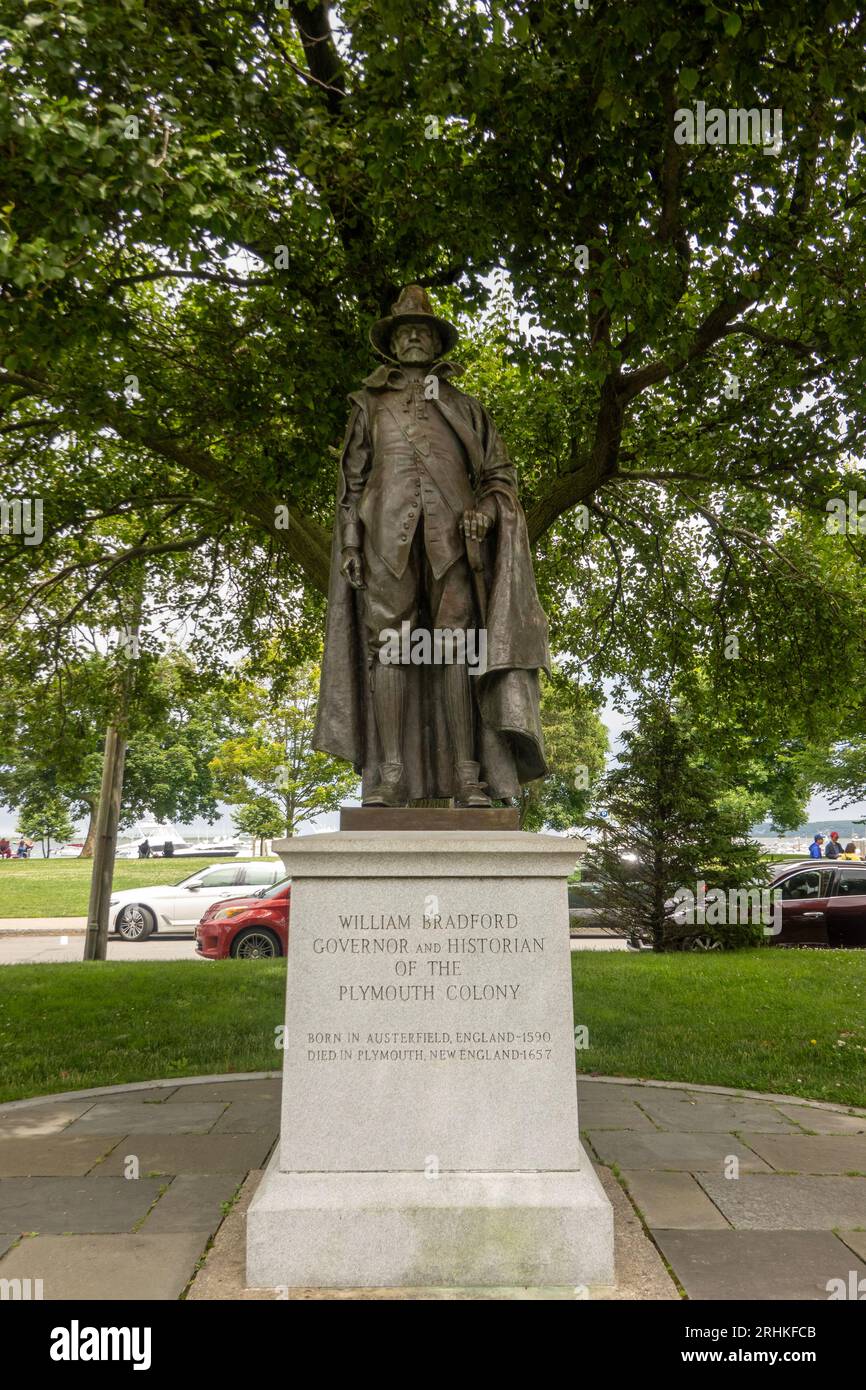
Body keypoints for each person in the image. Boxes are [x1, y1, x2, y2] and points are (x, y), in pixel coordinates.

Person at [314, 284, 550, 806]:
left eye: (423, 331)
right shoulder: (367, 407)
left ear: (437, 342)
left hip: (455, 544)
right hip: (384, 543)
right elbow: (351, 486)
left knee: (455, 649)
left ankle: (469, 775)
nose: (414, 337)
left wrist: (486, 514)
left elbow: (499, 478)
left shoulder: (468, 408)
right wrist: (351, 544)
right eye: (405, 331)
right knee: (390, 649)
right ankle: (390, 774)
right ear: (393, 344)